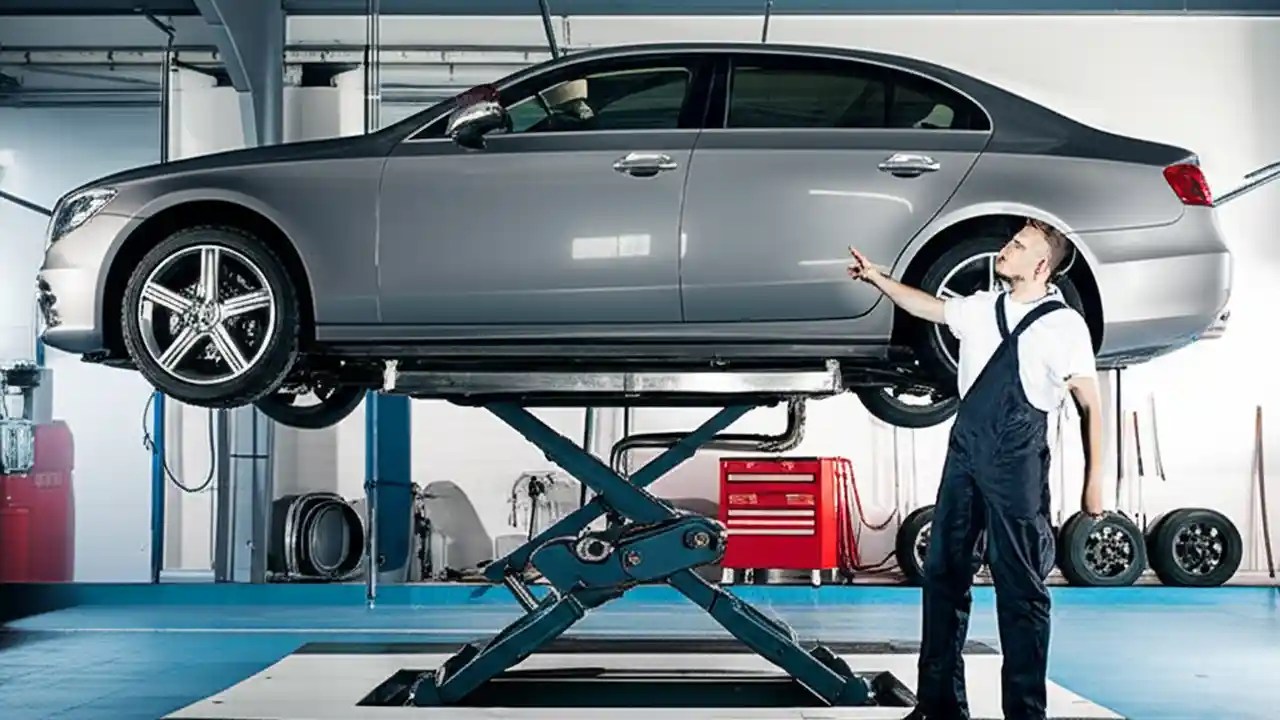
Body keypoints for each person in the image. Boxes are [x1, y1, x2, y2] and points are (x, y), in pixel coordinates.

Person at [847, 218, 1104, 720]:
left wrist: (1095, 485)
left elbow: (1091, 405)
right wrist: (878, 278)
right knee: (942, 577)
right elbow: (929, 307)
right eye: (1010, 242)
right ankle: (939, 707)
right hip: (964, 455)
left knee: (1021, 590)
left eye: (1018, 245)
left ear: (1040, 264)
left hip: (1017, 462)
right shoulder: (983, 306)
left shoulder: (1063, 325)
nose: (1004, 250)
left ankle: (1026, 713)